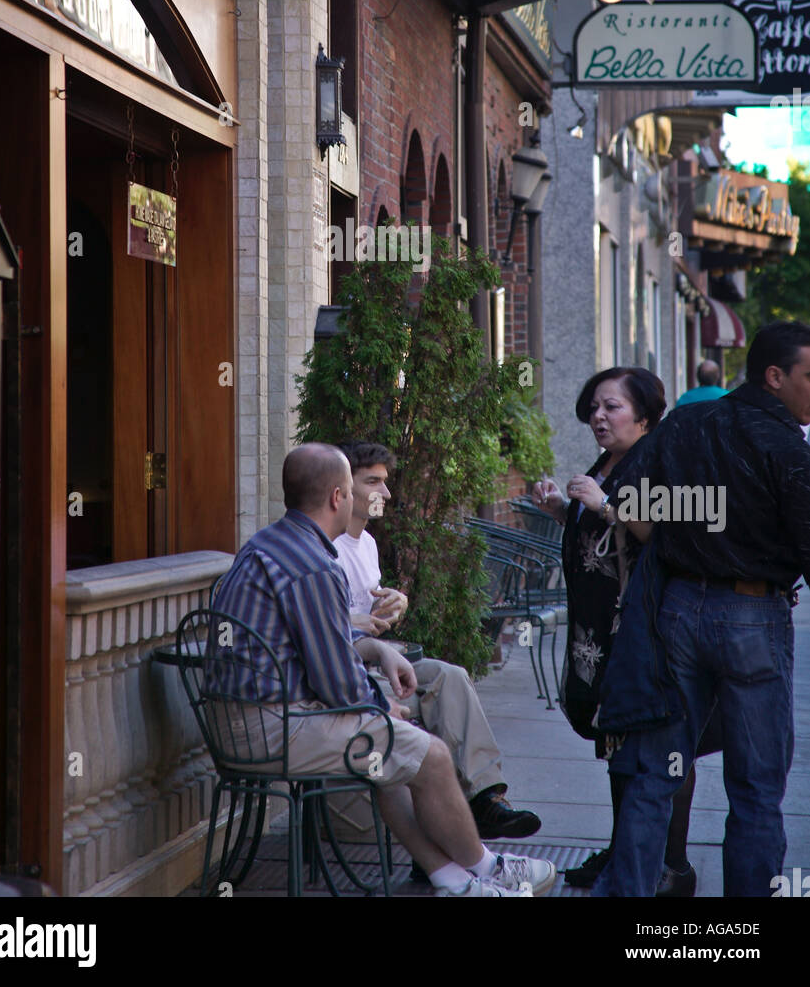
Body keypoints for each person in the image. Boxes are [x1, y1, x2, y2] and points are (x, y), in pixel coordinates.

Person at [212, 442, 556, 897]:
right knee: (428, 753)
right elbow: (336, 679)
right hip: (272, 727)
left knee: (387, 761)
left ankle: (452, 879)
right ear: (338, 496)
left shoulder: (270, 543)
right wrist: (379, 709)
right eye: (358, 489)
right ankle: (486, 866)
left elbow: (318, 647)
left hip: (243, 721)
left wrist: (374, 659)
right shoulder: (312, 564)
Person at [590, 321, 810, 898]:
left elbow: (628, 497)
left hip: (679, 610)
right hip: (752, 617)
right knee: (756, 788)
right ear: (775, 375)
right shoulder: (787, 447)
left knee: (654, 773)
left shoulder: (686, 422)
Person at [533, 366, 714, 896]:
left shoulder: (655, 459)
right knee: (617, 747)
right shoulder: (611, 459)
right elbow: (602, 535)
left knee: (652, 747)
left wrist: (604, 504)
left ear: (645, 415)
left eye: (611, 407)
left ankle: (669, 867)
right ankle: (626, 853)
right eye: (593, 407)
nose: (598, 416)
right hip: (598, 635)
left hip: (636, 631)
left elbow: (657, 530)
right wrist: (561, 509)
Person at [334, 440, 542, 841]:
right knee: (431, 713)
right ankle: (448, 834)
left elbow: (371, 615)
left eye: (386, 481)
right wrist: (355, 622)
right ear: (342, 489)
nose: (386, 493)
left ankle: (487, 798)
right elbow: (321, 624)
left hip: (375, 660)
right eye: (372, 482)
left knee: (450, 676)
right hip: (346, 675)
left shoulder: (369, 544)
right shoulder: (325, 547)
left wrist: (394, 604)